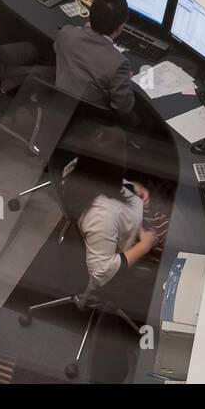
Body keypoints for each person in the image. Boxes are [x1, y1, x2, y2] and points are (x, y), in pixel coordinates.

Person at [76, 124, 164, 303]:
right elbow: (101, 273)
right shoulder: (101, 215)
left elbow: (110, 181)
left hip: (137, 219)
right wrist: (144, 246)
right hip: (142, 240)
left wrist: (132, 187)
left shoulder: (81, 169)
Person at [55, 0, 136, 118]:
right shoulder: (119, 63)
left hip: (58, 103)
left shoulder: (66, 33)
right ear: (120, 28)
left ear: (90, 15)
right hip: (89, 118)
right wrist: (124, 79)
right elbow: (123, 107)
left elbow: (57, 48)